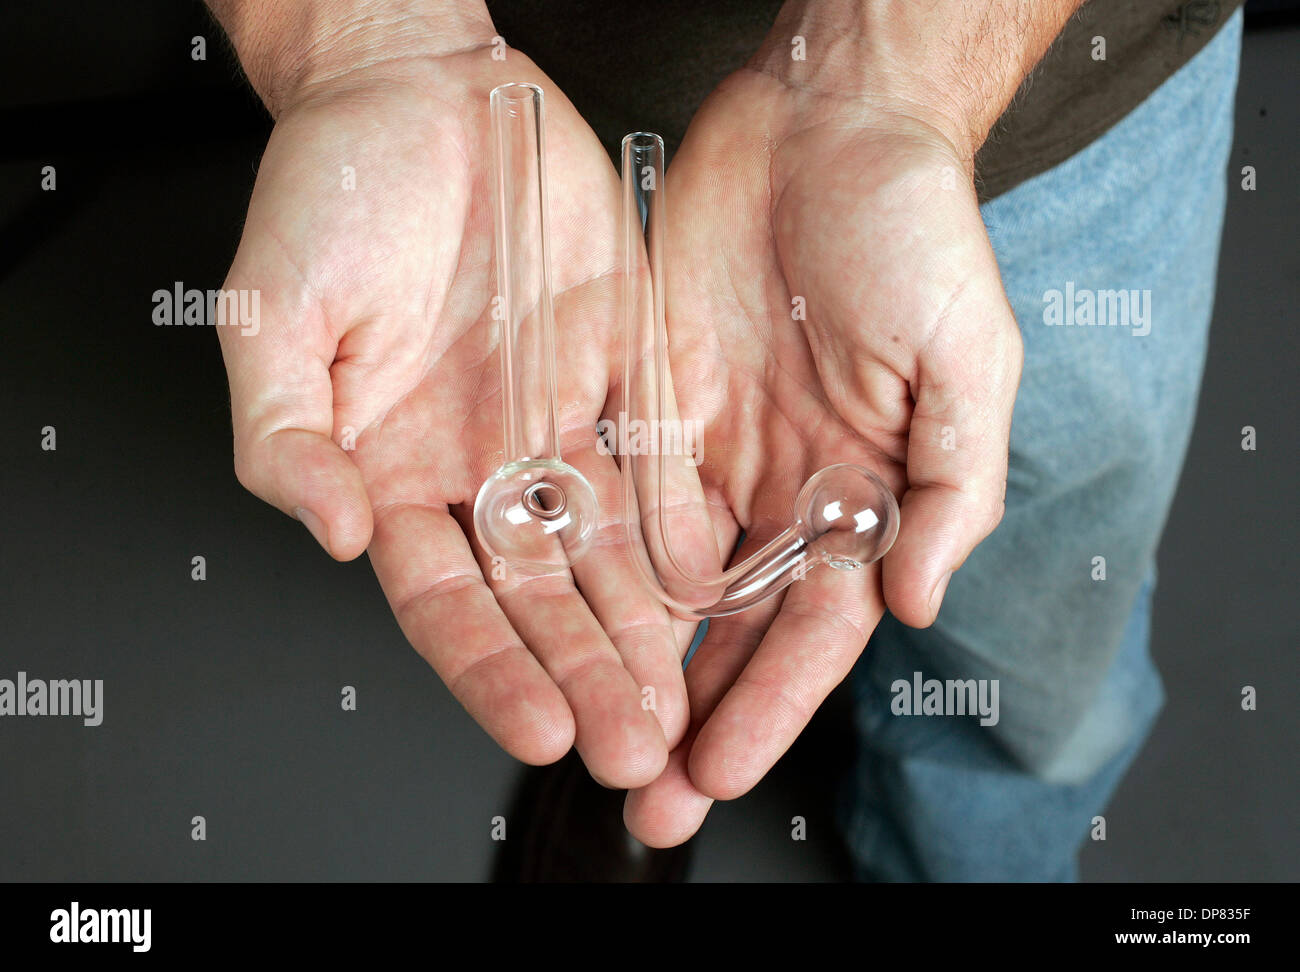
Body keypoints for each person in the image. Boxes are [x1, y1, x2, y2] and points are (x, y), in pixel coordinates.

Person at [204, 0, 1245, 880]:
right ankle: (635, 730)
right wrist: (359, 37)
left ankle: (975, 852)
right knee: (639, 547)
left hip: (1049, 104)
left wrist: (890, 77)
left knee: (1039, 623)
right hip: (499, 111)